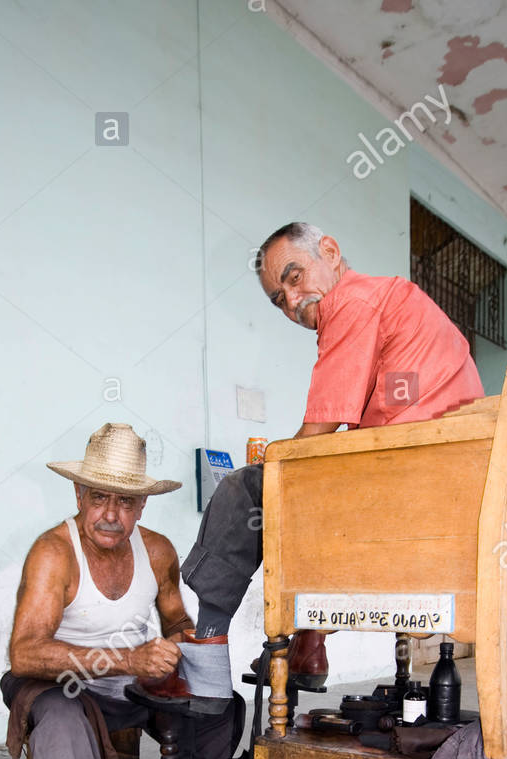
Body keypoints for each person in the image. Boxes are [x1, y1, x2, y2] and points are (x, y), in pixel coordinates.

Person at [179, 221, 484, 691]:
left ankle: (207, 656)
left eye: (295, 276)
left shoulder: (352, 301)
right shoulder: (390, 298)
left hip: (417, 484)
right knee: (308, 490)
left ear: (331, 251)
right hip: (444, 479)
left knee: (247, 487)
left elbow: (316, 434)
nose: (292, 300)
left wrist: (274, 460)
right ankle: (308, 644)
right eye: (279, 298)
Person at [2, 423, 241, 759]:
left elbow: (177, 619)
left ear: (142, 508)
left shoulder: (157, 552)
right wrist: (127, 658)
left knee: (221, 705)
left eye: (126, 501)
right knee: (63, 731)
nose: (111, 514)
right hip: (55, 681)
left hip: (129, 683)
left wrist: (191, 645)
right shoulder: (53, 552)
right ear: (79, 496)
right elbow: (25, 651)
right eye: (100, 498)